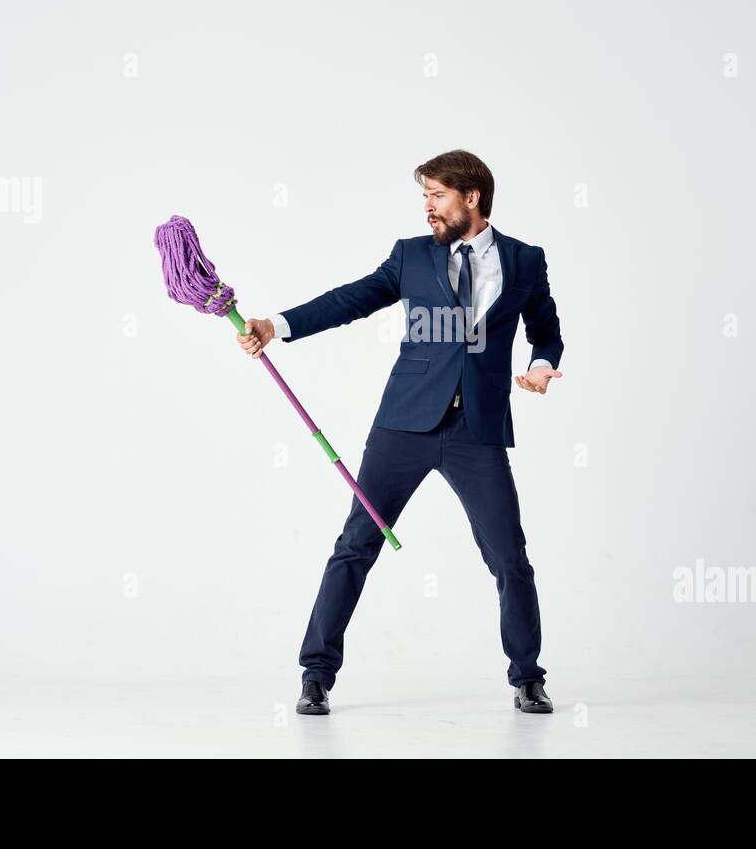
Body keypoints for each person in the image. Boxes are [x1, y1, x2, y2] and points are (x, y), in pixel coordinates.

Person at [237, 149, 564, 715]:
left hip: (476, 430)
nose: (428, 209)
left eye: (436, 196)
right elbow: (353, 299)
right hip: (403, 425)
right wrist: (276, 326)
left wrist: (539, 365)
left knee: (509, 557)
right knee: (355, 545)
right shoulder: (411, 256)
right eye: (424, 198)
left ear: (472, 197)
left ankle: (527, 676)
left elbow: (547, 331)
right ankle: (315, 674)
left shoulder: (525, 261)